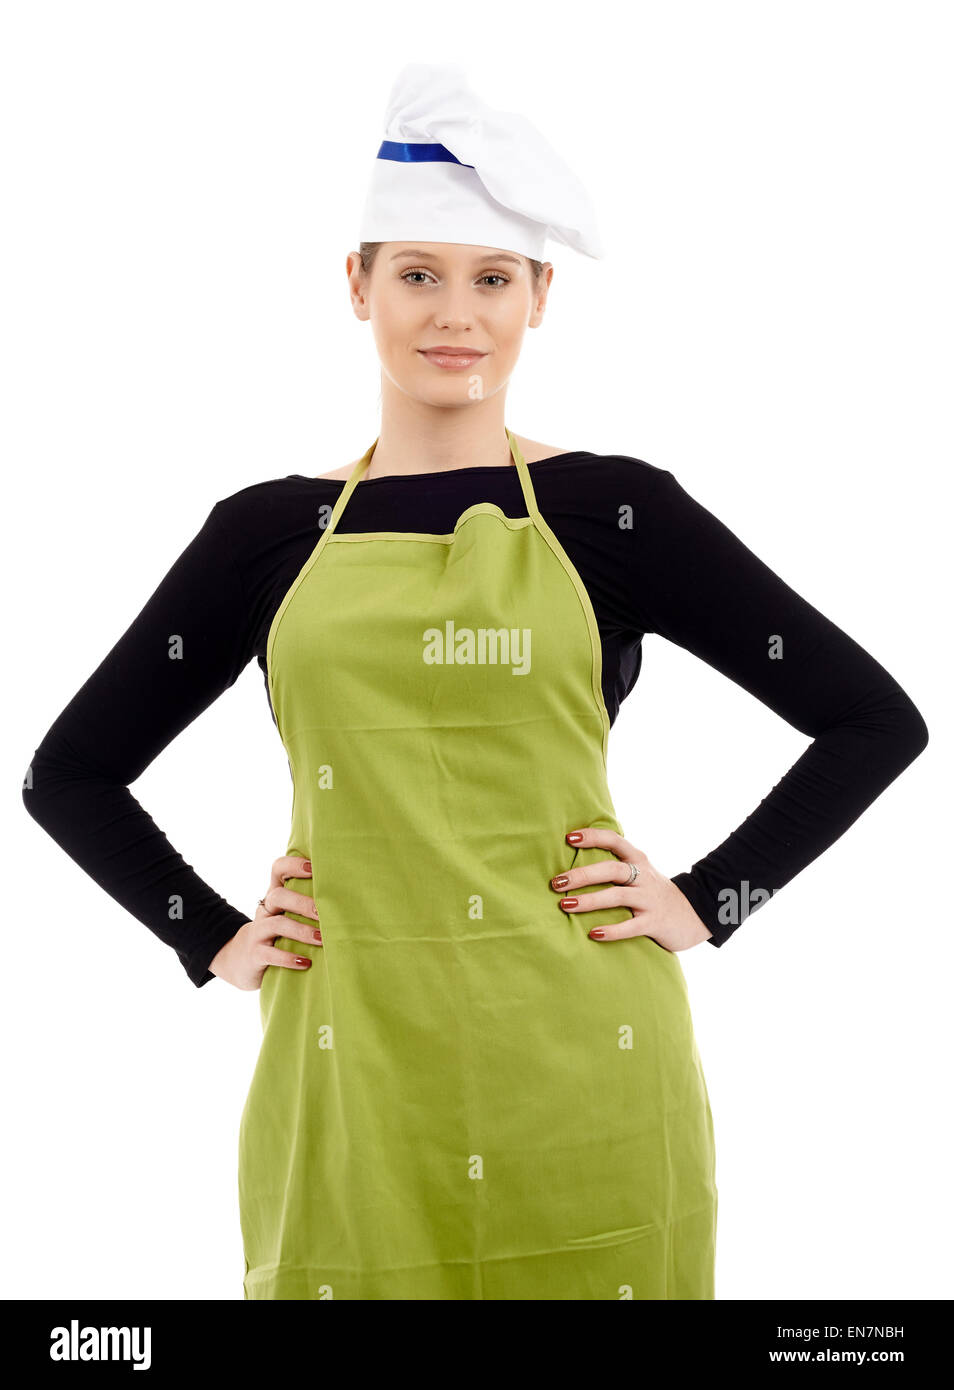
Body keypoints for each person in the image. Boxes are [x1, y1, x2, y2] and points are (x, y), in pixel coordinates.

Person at [22, 63, 928, 1301]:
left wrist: (715, 899)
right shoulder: (263, 535)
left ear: (539, 296)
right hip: (353, 1072)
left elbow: (874, 720)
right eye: (419, 274)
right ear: (358, 284)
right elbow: (70, 773)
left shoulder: (618, 512)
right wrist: (211, 935)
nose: (458, 315)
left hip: (587, 1066)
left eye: (493, 278)